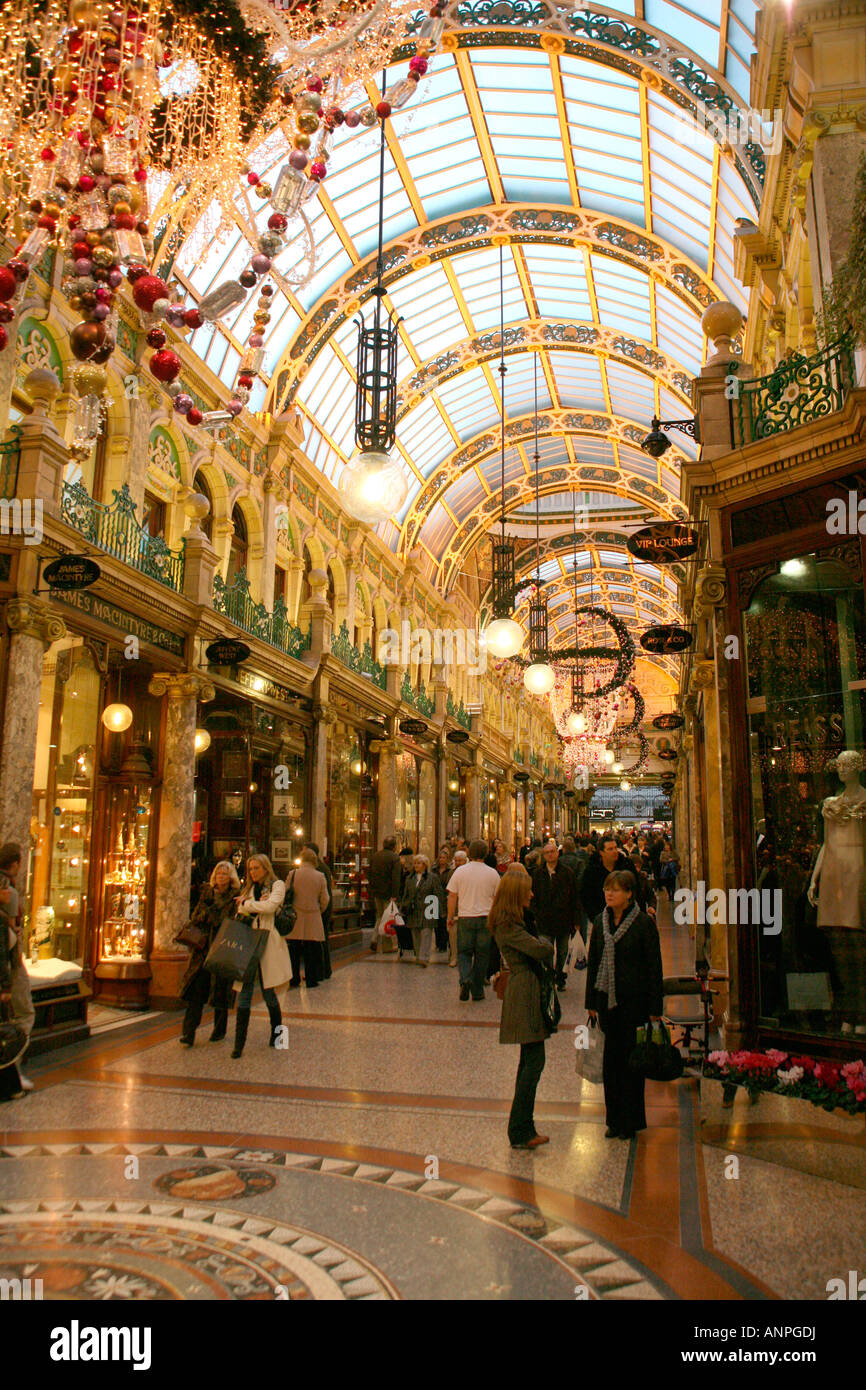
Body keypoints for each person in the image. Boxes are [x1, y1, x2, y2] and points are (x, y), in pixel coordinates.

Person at [585, 869, 664, 1140]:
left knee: (632, 1062)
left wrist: (655, 1008)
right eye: (607, 889)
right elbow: (594, 962)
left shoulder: (643, 924)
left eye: (615, 889)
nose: (609, 893)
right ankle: (613, 1119)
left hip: (635, 1002)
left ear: (629, 894)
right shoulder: (600, 922)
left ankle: (630, 1120)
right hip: (607, 1001)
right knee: (611, 1062)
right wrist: (591, 1002)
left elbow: (654, 967)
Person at [490, 864, 555, 1150]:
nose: (532, 893)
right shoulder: (509, 925)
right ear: (517, 894)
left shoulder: (516, 921)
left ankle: (523, 1128)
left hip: (527, 987)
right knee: (533, 1061)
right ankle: (520, 1128)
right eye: (527, 889)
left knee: (530, 1061)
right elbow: (542, 949)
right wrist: (543, 942)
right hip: (524, 991)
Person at [232, 854, 291, 1058]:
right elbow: (241, 909)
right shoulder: (249, 888)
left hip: (268, 942)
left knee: (269, 993)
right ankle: (239, 1044)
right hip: (249, 941)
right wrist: (251, 904)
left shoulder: (277, 885)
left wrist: (248, 904)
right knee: (245, 992)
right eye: (250, 869)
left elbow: (270, 907)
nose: (253, 872)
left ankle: (277, 1033)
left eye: (256, 868)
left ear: (266, 868)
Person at [178, 860, 238, 1046]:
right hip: (203, 950)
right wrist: (207, 915)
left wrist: (212, 916)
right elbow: (196, 917)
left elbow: (230, 921)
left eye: (225, 874)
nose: (221, 877)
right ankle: (188, 1033)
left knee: (220, 990)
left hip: (222, 948)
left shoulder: (236, 897)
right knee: (196, 991)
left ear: (231, 877)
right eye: (218, 873)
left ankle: (219, 1030)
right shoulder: (206, 893)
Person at [447, 839, 500, 1001]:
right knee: (482, 954)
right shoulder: (492, 873)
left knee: (463, 952)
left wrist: (450, 917)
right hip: (485, 918)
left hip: (465, 917)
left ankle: (465, 979)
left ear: (469, 853)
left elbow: (452, 896)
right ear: (485, 853)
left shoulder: (460, 872)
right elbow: (498, 898)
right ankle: (477, 990)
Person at [0, 845, 33, 1091]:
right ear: (16, 864)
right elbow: (7, 937)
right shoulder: (7, 891)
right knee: (23, 1013)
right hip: (8, 964)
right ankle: (12, 1069)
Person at [530, 839, 580, 990]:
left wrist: (576, 920)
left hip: (564, 919)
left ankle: (561, 977)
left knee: (563, 951)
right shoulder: (538, 874)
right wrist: (535, 914)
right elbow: (533, 897)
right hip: (544, 919)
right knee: (546, 950)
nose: (550, 855)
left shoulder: (567, 873)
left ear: (558, 853)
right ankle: (549, 976)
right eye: (547, 853)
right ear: (543, 856)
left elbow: (574, 897)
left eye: (552, 852)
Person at [286, 847, 330, 990]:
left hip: (295, 916)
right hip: (313, 916)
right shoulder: (320, 876)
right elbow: (325, 898)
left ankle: (294, 978)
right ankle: (311, 979)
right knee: (312, 950)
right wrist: (319, 910)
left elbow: (285, 893)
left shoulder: (292, 874)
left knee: (294, 950)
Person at [582, 835, 652, 922]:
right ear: (601, 852)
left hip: (628, 916)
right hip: (602, 917)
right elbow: (587, 896)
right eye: (610, 849)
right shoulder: (591, 871)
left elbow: (636, 890)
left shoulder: (627, 865)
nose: (615, 851)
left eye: (615, 848)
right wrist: (596, 918)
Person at [400, 854, 444, 966]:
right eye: (415, 863)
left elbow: (438, 894)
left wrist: (440, 910)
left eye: (418, 863)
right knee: (415, 934)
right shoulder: (409, 879)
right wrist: (403, 907)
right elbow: (406, 894)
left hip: (429, 908)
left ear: (425, 865)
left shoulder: (432, 878)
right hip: (413, 909)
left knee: (426, 933)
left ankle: (424, 957)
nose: (416, 865)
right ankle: (418, 955)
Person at [369, 835, 402, 952]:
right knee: (388, 918)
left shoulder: (375, 856)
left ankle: (374, 938)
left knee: (380, 916)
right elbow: (396, 878)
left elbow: (370, 874)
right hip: (389, 893)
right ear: (394, 846)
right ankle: (387, 946)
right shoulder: (394, 858)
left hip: (377, 892)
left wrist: (372, 890)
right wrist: (395, 894)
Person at [306, 842, 333, 979]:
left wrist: (320, 909)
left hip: (319, 910)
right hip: (322, 909)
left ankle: (321, 971)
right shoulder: (323, 868)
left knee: (319, 942)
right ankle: (324, 970)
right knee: (322, 941)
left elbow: (323, 895)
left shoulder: (319, 868)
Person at [445, 849, 467, 965]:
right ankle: (454, 957)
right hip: (455, 908)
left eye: (460, 861)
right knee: (453, 935)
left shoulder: (469, 873)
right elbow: (450, 892)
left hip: (466, 908)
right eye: (456, 860)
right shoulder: (451, 873)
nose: (458, 863)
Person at [431, 848, 453, 954]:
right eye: (440, 858)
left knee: (444, 922)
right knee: (436, 922)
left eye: (444, 858)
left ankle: (444, 943)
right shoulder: (434, 870)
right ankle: (438, 943)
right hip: (434, 898)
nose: (442, 860)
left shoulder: (450, 871)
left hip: (445, 898)